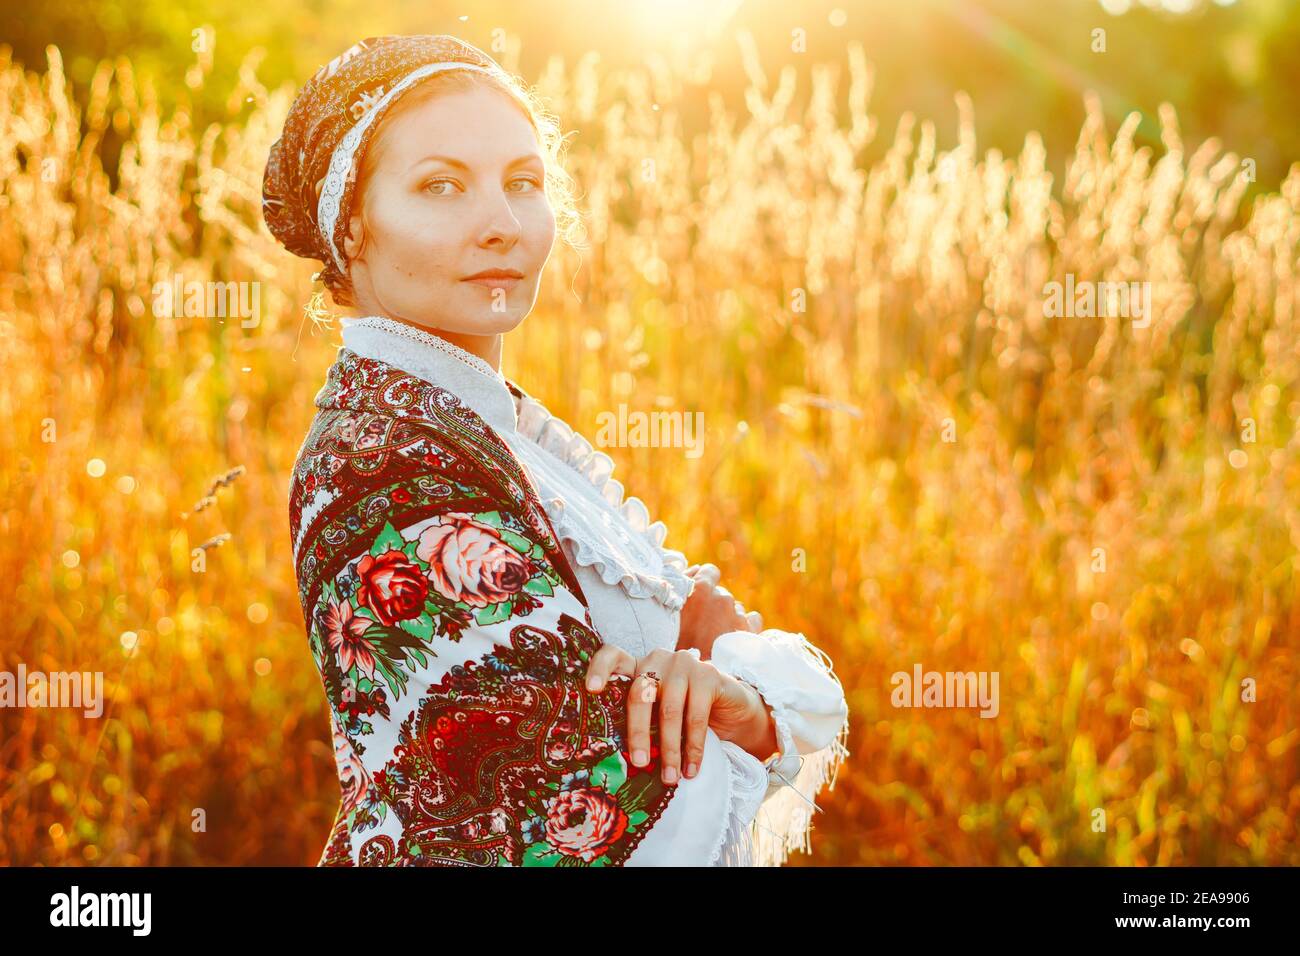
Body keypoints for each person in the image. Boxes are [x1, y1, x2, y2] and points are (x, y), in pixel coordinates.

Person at [263, 34, 849, 867]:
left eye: (524, 184)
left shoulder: (495, 433)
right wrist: (731, 674)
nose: (502, 225)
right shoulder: (386, 458)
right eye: (440, 186)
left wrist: (737, 695)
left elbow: (706, 696)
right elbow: (579, 813)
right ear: (350, 227)